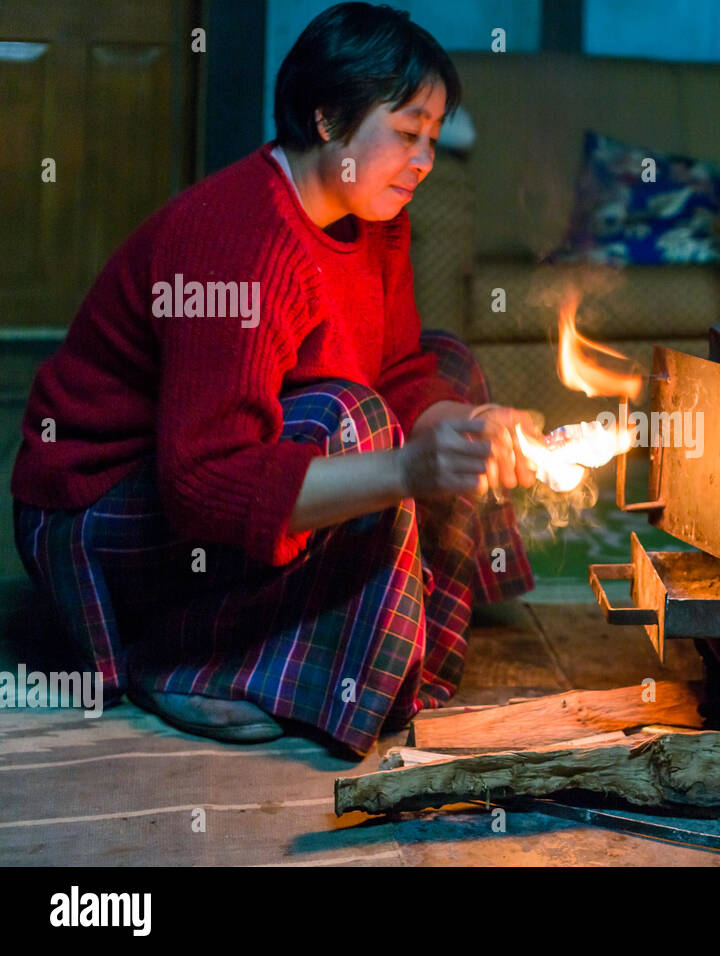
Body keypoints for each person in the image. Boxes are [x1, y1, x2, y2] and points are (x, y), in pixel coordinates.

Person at [9, 2, 539, 756]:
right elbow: (200, 481)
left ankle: (345, 656)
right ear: (327, 119)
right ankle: (184, 660)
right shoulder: (239, 243)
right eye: (407, 132)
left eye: (433, 136)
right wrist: (410, 466)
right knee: (346, 417)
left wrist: (461, 427)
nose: (424, 159)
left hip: (212, 479)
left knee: (450, 369)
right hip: (97, 510)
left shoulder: (378, 217)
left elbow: (399, 367)